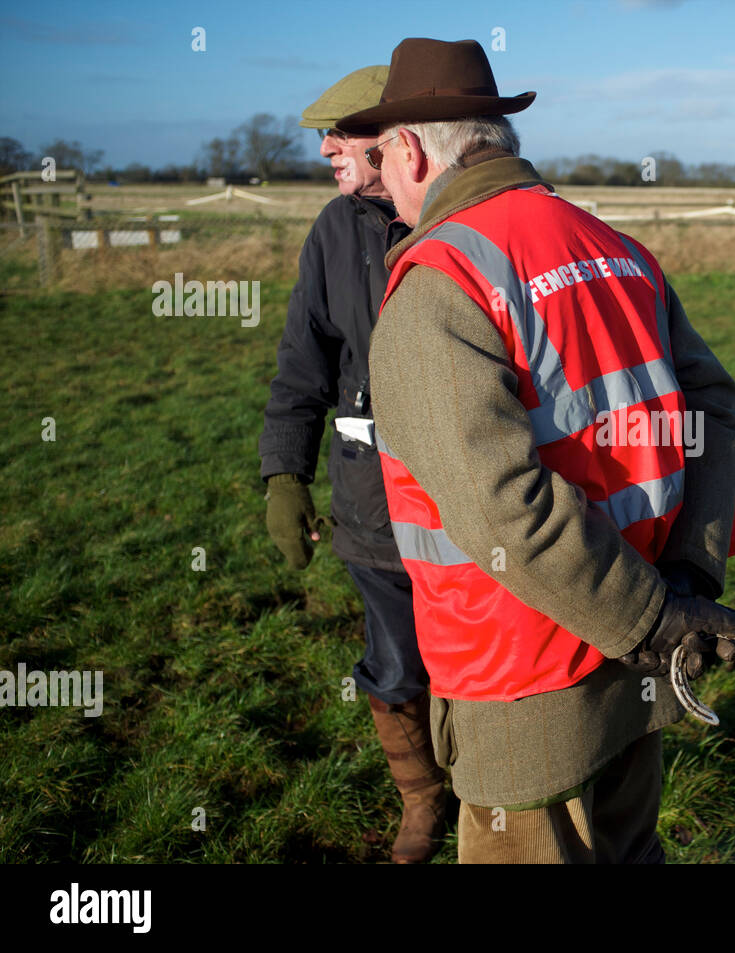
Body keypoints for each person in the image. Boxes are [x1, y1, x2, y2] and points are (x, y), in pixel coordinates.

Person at [336, 38, 735, 864]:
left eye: (381, 152)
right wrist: (684, 583)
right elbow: (714, 412)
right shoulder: (613, 248)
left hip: (523, 682)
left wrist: (651, 617)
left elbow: (505, 504)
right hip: (643, 662)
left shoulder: (438, 284)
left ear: (415, 150)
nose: (381, 173)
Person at [258, 65, 447, 863]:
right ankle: (423, 799)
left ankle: (500, 795)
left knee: (481, 658)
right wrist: (284, 474)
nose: (328, 150)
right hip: (370, 498)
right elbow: (304, 363)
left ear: (397, 138)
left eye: (343, 134)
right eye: (324, 138)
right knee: (396, 660)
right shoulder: (333, 231)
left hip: (470, 497)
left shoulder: (458, 225)